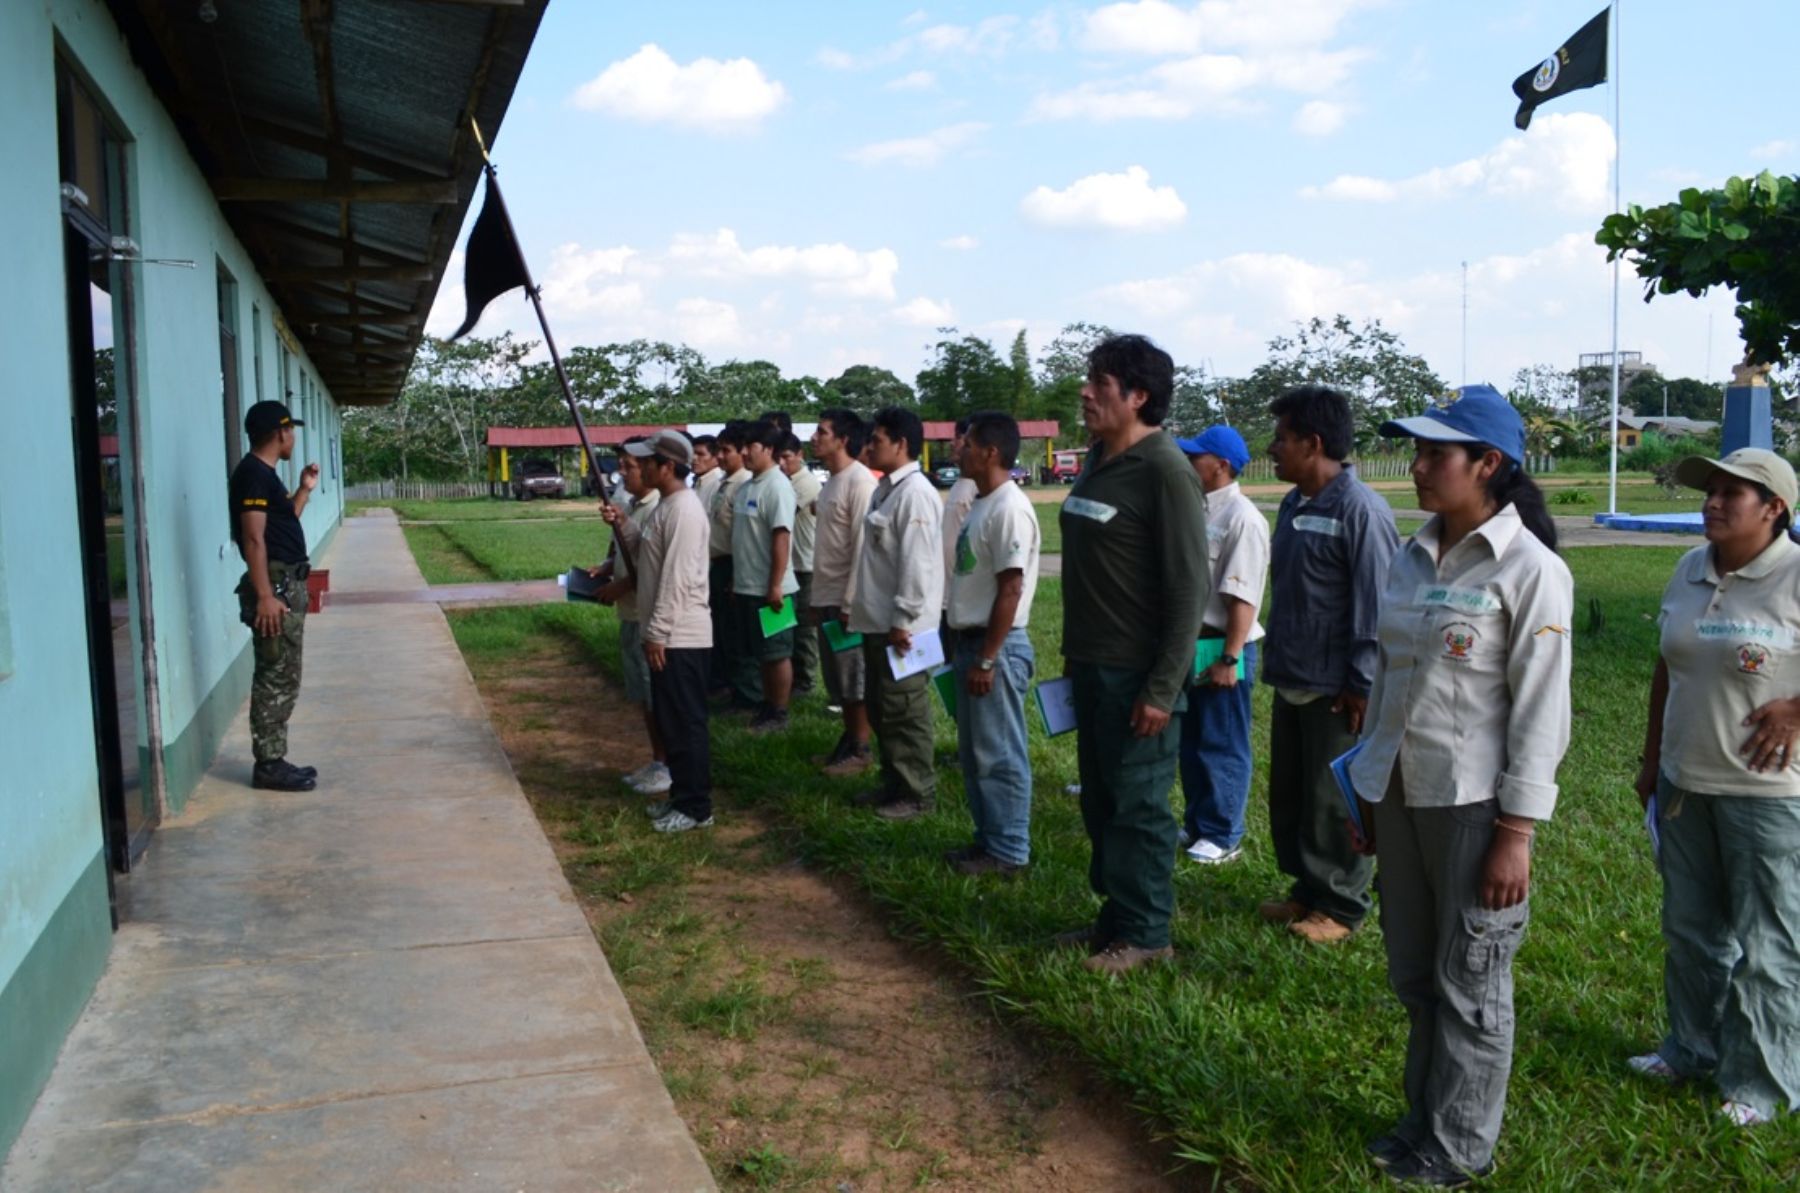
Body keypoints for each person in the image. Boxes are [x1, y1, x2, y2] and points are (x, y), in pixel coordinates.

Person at [1348, 387, 1572, 1186]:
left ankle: (1458, 1145)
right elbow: (1390, 686)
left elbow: (1543, 709)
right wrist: (1367, 791)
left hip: (1474, 803)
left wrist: (1517, 832)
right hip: (1401, 794)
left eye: (1435, 454)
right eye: (1417, 452)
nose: (1417, 468)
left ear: (1489, 463)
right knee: (1414, 972)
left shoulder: (1531, 569)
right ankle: (1422, 1119)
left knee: (1471, 980)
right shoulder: (1414, 554)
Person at [1630, 447, 1800, 1130]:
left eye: (1734, 492)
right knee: (1692, 929)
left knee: (1769, 941)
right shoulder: (1687, 569)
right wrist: (1651, 760)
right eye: (1710, 490)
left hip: (1770, 795)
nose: (1713, 502)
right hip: (1684, 782)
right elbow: (1667, 669)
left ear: (1775, 509)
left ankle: (1759, 1081)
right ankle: (1691, 1047)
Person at [1053, 334, 1209, 974]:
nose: (1086, 392)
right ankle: (1116, 917)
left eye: (1101, 382)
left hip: (1137, 674)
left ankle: (1147, 934)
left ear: (1139, 396)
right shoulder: (1097, 461)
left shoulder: (1166, 471)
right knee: (1102, 797)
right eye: (1088, 379)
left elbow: (1187, 590)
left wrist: (1162, 688)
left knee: (1139, 805)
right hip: (1091, 664)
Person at [1261, 384, 1399, 943]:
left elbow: (1376, 603)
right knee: (1292, 795)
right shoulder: (1296, 502)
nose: (1272, 448)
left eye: (1282, 438)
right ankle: (1307, 890)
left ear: (1313, 444)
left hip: (1337, 687)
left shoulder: (1360, 510)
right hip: (1292, 674)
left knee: (1330, 798)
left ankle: (1341, 905)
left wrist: (1362, 683)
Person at [945, 412, 1042, 876]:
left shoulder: (1008, 508)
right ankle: (988, 840)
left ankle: (1008, 850)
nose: (958, 449)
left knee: (999, 753)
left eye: (967, 443)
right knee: (977, 753)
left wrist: (987, 656)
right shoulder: (983, 502)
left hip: (994, 648)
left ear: (992, 452)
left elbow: (1011, 588)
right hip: (973, 643)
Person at [1174, 425, 1268, 865]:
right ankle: (1198, 823)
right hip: (1194, 643)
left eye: (1197, 458)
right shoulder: (1199, 510)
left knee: (1223, 739)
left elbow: (1243, 596)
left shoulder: (1242, 518)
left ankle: (1223, 832)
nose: (1189, 464)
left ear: (1221, 466)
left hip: (1223, 644)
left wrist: (1230, 657)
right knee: (1192, 739)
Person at [848, 407, 945, 820]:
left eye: (877, 440)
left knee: (905, 710)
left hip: (903, 627)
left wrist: (904, 619)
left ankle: (916, 791)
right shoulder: (884, 489)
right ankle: (893, 783)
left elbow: (918, 563)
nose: (869, 448)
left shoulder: (915, 492)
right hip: (879, 621)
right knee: (883, 706)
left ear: (901, 444)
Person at [229, 400, 320, 792]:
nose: (293, 437)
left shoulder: (266, 476)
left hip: (285, 583)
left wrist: (303, 489)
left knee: (285, 674)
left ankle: (275, 758)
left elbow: (282, 525)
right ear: (281, 432)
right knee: (275, 676)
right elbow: (253, 539)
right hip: (276, 588)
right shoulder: (253, 475)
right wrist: (266, 595)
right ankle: (268, 764)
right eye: (291, 431)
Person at [630, 430, 716, 834]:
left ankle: (697, 807)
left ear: (667, 467)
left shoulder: (683, 509)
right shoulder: (666, 507)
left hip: (681, 637)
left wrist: (658, 632)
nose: (640, 467)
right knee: (672, 720)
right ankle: (681, 796)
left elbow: (677, 578)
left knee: (685, 722)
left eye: (648, 462)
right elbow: (651, 556)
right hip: (667, 634)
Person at [595, 440, 667, 798]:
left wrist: (621, 585)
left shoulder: (658, 510)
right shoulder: (635, 507)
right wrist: (610, 570)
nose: (622, 473)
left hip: (645, 615)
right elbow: (627, 552)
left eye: (629, 466)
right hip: (631, 612)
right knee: (642, 694)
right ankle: (657, 759)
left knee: (655, 696)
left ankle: (665, 762)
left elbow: (652, 568)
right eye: (620, 465)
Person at [809, 409, 878, 775]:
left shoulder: (859, 483)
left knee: (854, 679)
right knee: (838, 678)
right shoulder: (833, 481)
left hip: (846, 602)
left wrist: (851, 602)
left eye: (822, 432)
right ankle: (849, 740)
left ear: (843, 440)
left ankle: (861, 748)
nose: (814, 437)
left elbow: (862, 548)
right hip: (828, 597)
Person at [730, 420, 800, 733]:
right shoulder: (749, 486)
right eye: (743, 446)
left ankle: (779, 712)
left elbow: (781, 538)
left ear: (768, 450)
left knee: (777, 653)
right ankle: (766, 705)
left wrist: (774, 585)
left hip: (774, 590)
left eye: (751, 447)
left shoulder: (778, 486)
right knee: (760, 654)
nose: (744, 452)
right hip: (747, 585)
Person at [707, 422, 752, 709]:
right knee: (721, 631)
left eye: (726, 451)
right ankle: (724, 684)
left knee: (736, 635)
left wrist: (736, 575)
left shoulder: (743, 484)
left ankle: (744, 692)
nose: (719, 457)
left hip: (732, 565)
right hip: (717, 564)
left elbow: (741, 535)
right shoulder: (724, 483)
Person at [778, 432, 823, 697]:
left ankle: (805, 681)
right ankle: (793, 677)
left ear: (800, 456)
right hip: (789, 565)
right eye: (779, 457)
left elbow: (782, 514)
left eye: (787, 457)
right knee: (787, 626)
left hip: (805, 565)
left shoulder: (805, 483)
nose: (782, 463)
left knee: (805, 628)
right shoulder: (785, 481)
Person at [941, 416, 979, 610]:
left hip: (964, 598)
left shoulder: (977, 487)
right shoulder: (959, 484)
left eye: (957, 438)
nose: (951, 443)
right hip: (946, 595)